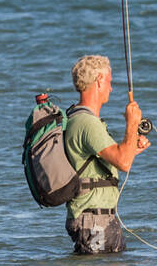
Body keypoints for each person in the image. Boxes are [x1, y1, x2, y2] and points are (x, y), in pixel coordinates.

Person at [63, 55, 149, 254]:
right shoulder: (87, 123)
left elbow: (117, 157)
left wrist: (132, 147)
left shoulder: (81, 119)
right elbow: (123, 162)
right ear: (100, 80)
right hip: (93, 222)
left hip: (100, 220)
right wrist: (132, 123)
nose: (111, 88)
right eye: (110, 82)